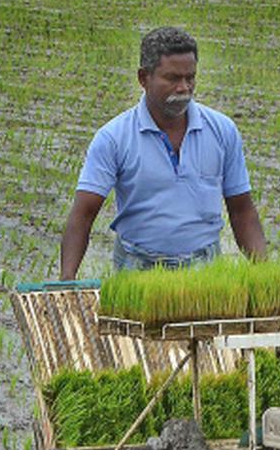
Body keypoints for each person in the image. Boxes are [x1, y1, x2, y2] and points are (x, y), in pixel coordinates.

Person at [59, 26, 267, 280]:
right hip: (137, 268)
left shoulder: (222, 130)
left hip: (206, 267)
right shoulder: (114, 138)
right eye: (172, 78)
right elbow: (83, 215)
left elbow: (242, 210)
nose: (184, 88)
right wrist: (66, 282)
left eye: (190, 78)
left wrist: (264, 274)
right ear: (143, 78)